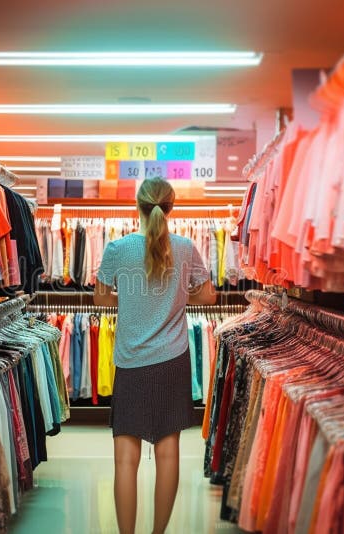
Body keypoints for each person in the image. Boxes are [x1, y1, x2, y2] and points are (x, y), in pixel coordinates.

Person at [94, 178, 216, 534]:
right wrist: (179, 300)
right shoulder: (185, 247)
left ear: (139, 206)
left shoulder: (117, 248)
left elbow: (100, 300)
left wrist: (129, 301)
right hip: (172, 360)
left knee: (125, 459)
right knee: (168, 453)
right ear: (171, 207)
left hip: (131, 362)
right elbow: (209, 298)